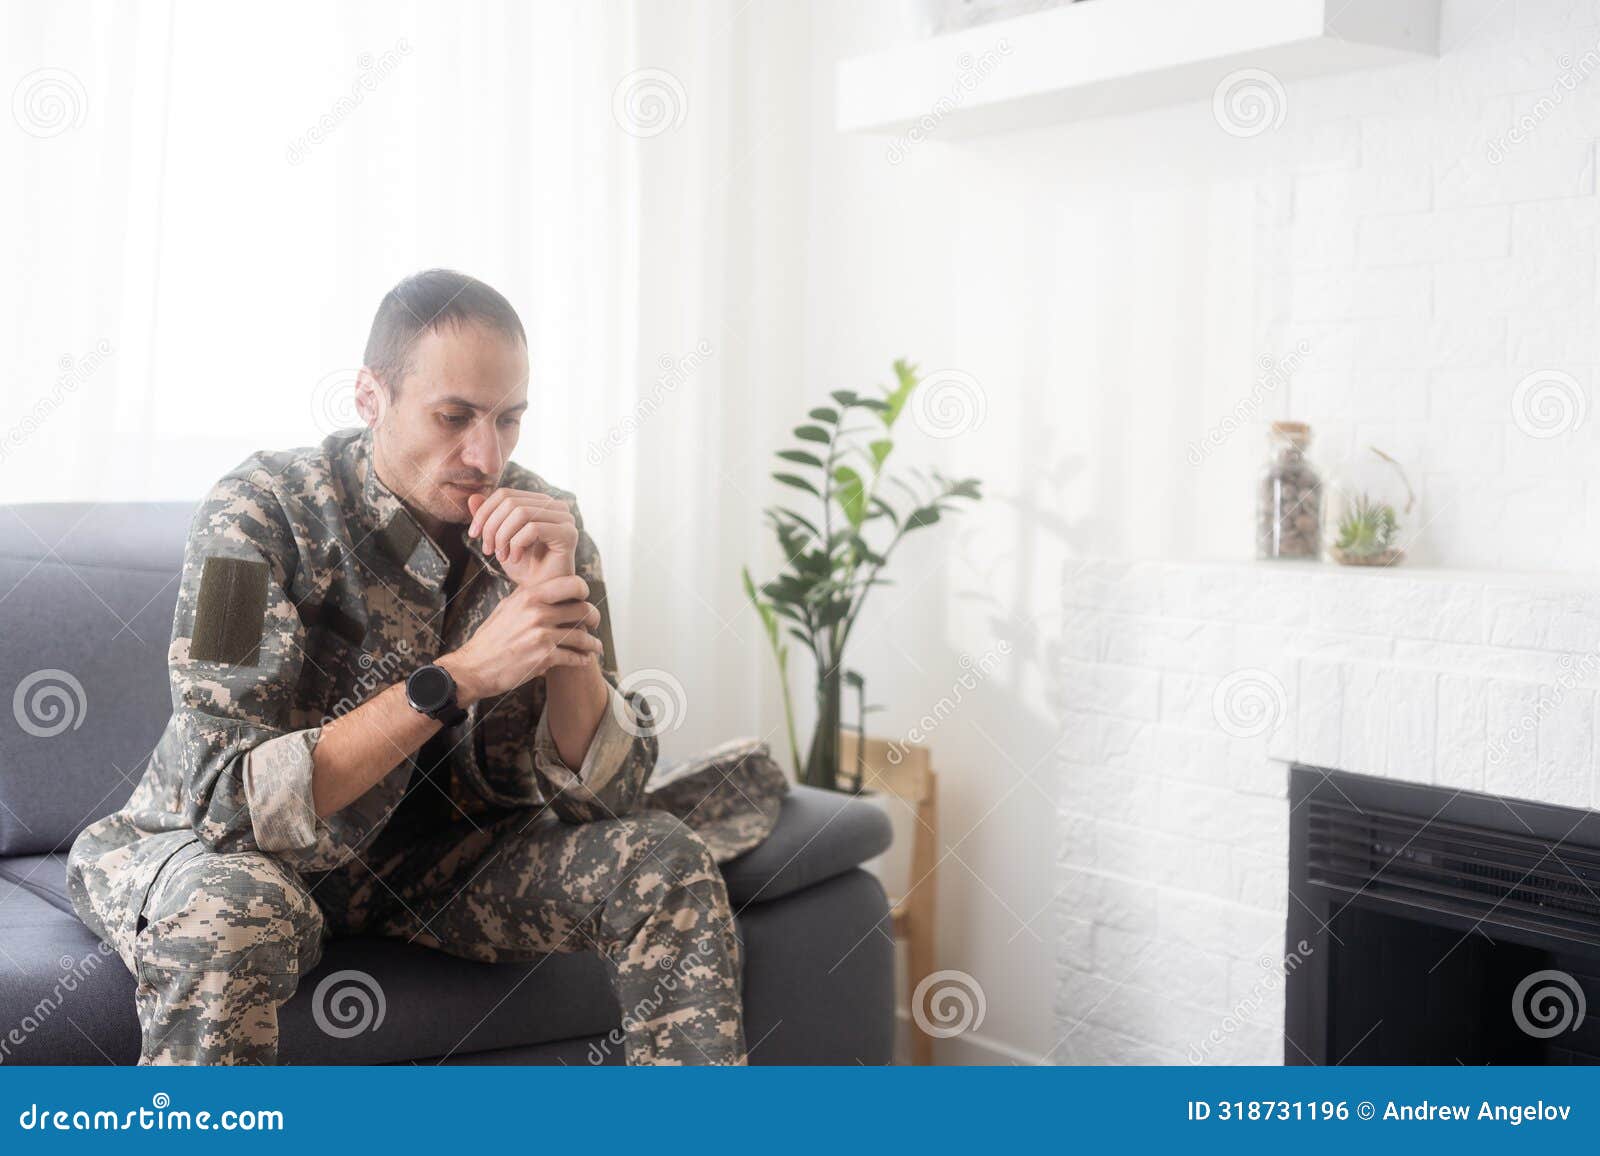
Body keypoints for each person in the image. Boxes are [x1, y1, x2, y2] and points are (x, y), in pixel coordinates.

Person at [66, 269, 784, 1066]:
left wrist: (562, 619)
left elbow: (609, 796)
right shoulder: (256, 513)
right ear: (370, 397)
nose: (486, 454)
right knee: (227, 913)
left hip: (439, 865)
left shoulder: (544, 520)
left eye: (510, 421)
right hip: (232, 855)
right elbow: (226, 800)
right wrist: (460, 676)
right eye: (455, 417)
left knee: (665, 858)